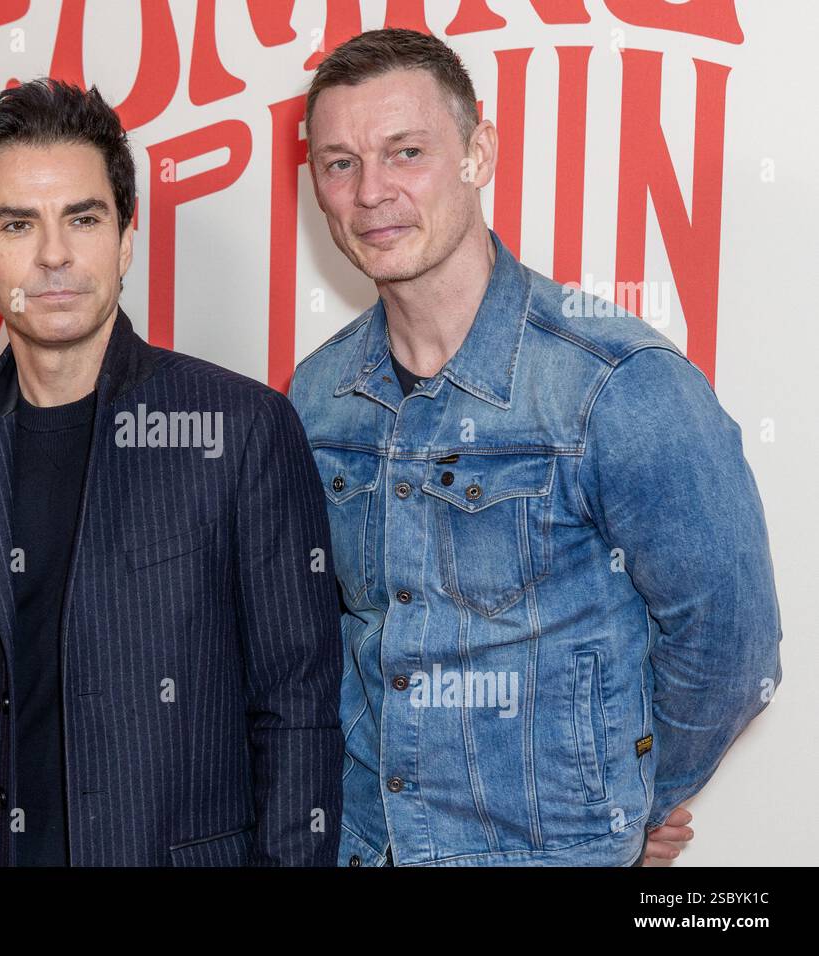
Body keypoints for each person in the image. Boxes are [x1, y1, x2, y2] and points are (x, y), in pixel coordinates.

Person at [287, 28, 782, 867]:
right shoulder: (317, 398)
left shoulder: (619, 383)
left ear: (479, 153)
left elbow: (731, 647)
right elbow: (322, 643)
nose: (372, 192)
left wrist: (628, 804)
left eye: (405, 152)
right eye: (340, 163)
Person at [0, 79, 342, 866]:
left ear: (126, 240)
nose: (54, 255)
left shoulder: (240, 429)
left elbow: (297, 712)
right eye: (17, 224)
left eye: (83, 218)